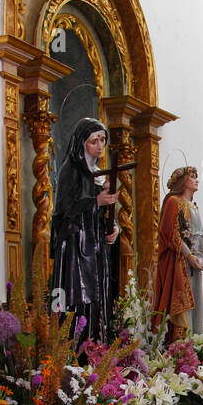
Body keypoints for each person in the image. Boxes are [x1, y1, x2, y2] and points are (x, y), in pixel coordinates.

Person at [50, 118, 118, 345]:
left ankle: (97, 350)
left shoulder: (99, 173)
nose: (100, 146)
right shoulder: (70, 170)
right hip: (75, 249)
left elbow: (102, 213)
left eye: (103, 140)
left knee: (98, 299)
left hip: (95, 246)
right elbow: (65, 209)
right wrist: (95, 201)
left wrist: (113, 228)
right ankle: (75, 352)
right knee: (78, 298)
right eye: (93, 141)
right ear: (81, 143)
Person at [153, 165, 203, 342]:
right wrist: (188, 255)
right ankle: (179, 347)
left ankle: (193, 343)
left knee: (195, 300)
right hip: (179, 261)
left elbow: (201, 234)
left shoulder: (193, 206)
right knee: (181, 303)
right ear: (183, 182)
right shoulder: (173, 202)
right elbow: (170, 232)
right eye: (193, 177)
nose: (197, 180)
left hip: (194, 262)